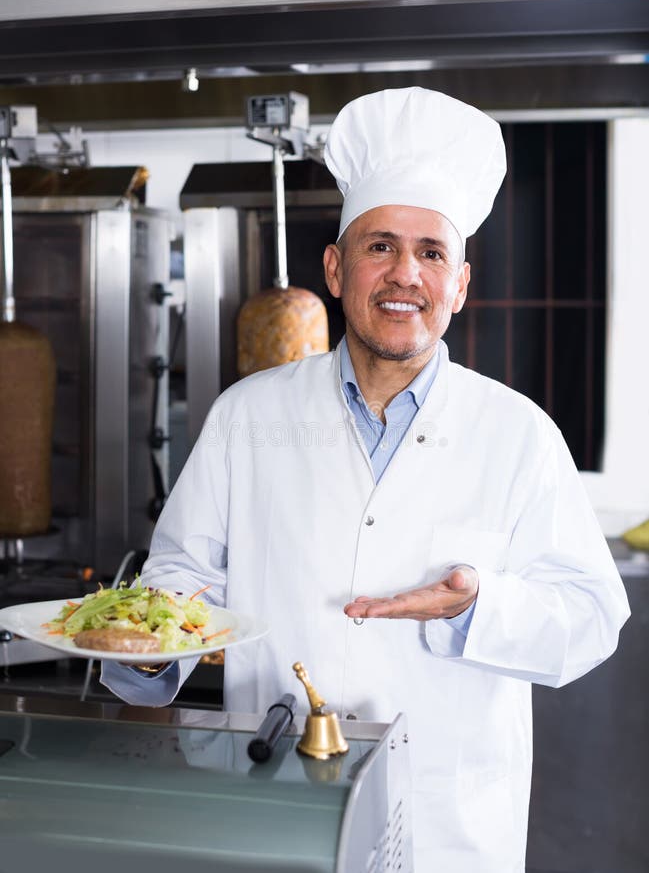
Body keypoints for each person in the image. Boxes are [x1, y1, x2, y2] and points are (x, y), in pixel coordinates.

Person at [102, 87, 630, 873]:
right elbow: (181, 577)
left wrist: (477, 605)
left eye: (430, 252)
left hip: (445, 822)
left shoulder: (518, 434)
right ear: (335, 269)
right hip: (273, 796)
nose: (403, 274)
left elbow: (589, 618)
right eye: (379, 246)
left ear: (458, 284)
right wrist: (150, 647)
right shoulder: (247, 417)